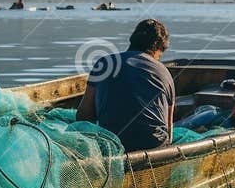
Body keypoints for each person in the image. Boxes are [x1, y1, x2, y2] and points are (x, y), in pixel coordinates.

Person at [75, 19, 175, 151]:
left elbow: (84, 115)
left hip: (111, 145)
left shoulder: (105, 63)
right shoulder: (164, 72)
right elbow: (169, 132)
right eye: (160, 54)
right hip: (154, 147)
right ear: (158, 49)